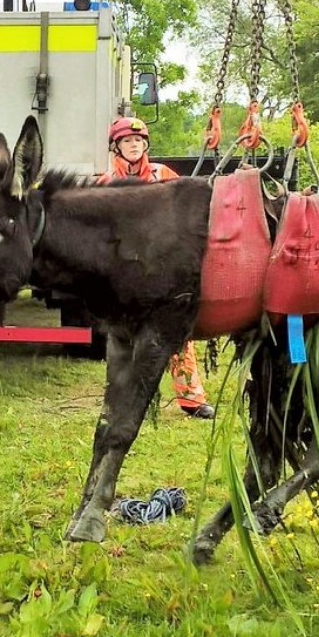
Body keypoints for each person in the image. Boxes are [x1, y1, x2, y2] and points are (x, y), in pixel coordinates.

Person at [99, 116, 216, 419]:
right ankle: (119, 398)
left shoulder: (163, 174)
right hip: (125, 272)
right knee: (123, 337)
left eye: (138, 140)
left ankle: (191, 399)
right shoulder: (106, 182)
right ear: (117, 147)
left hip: (162, 269)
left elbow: (186, 211)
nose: (134, 145)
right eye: (127, 141)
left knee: (176, 330)